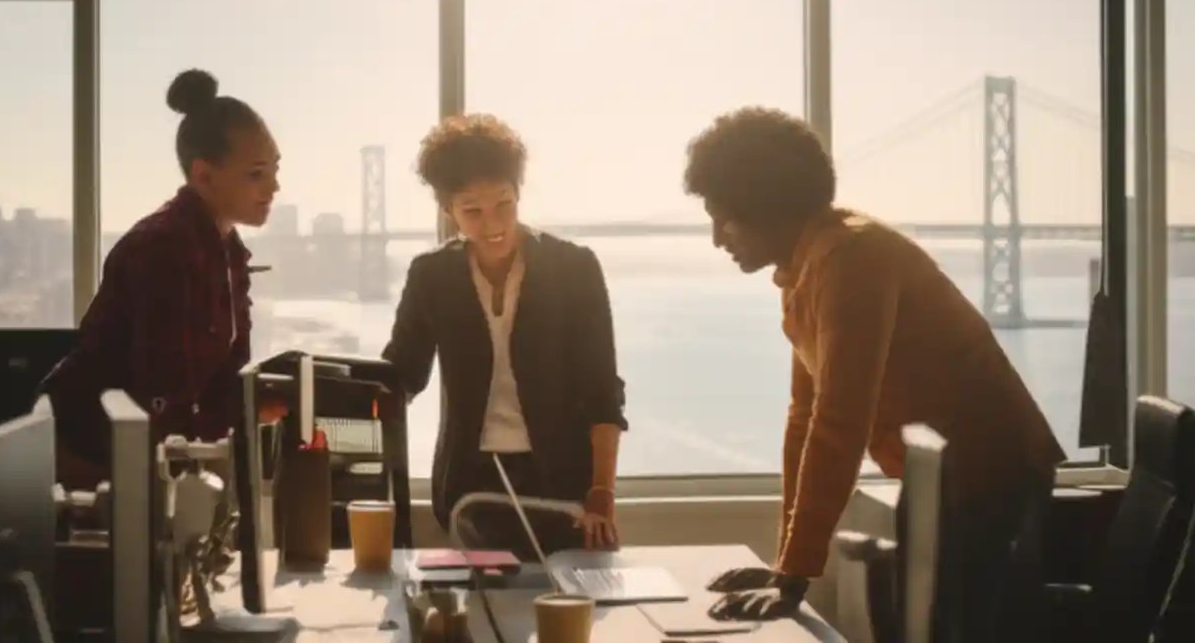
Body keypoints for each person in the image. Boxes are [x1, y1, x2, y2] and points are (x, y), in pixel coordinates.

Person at [684, 107, 1065, 635]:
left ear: (766, 207)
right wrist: (787, 564)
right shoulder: (803, 270)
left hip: (991, 473)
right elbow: (804, 420)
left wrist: (796, 574)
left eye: (724, 219)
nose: (717, 239)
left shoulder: (851, 258)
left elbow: (839, 422)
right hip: (939, 480)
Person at [381, 113, 627, 557]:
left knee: (568, 596)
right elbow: (401, 375)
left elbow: (602, 390)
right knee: (482, 597)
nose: (492, 223)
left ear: (519, 193)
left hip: (562, 480)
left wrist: (602, 491)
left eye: (504, 204)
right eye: (472, 210)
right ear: (448, 210)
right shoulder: (432, 275)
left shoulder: (573, 268)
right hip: (469, 484)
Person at [42, 69, 281, 490]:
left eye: (275, 169)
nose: (274, 186)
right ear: (204, 175)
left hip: (147, 453)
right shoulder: (162, 247)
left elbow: (225, 380)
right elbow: (163, 395)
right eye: (256, 173)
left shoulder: (229, 251)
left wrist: (267, 403)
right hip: (86, 456)